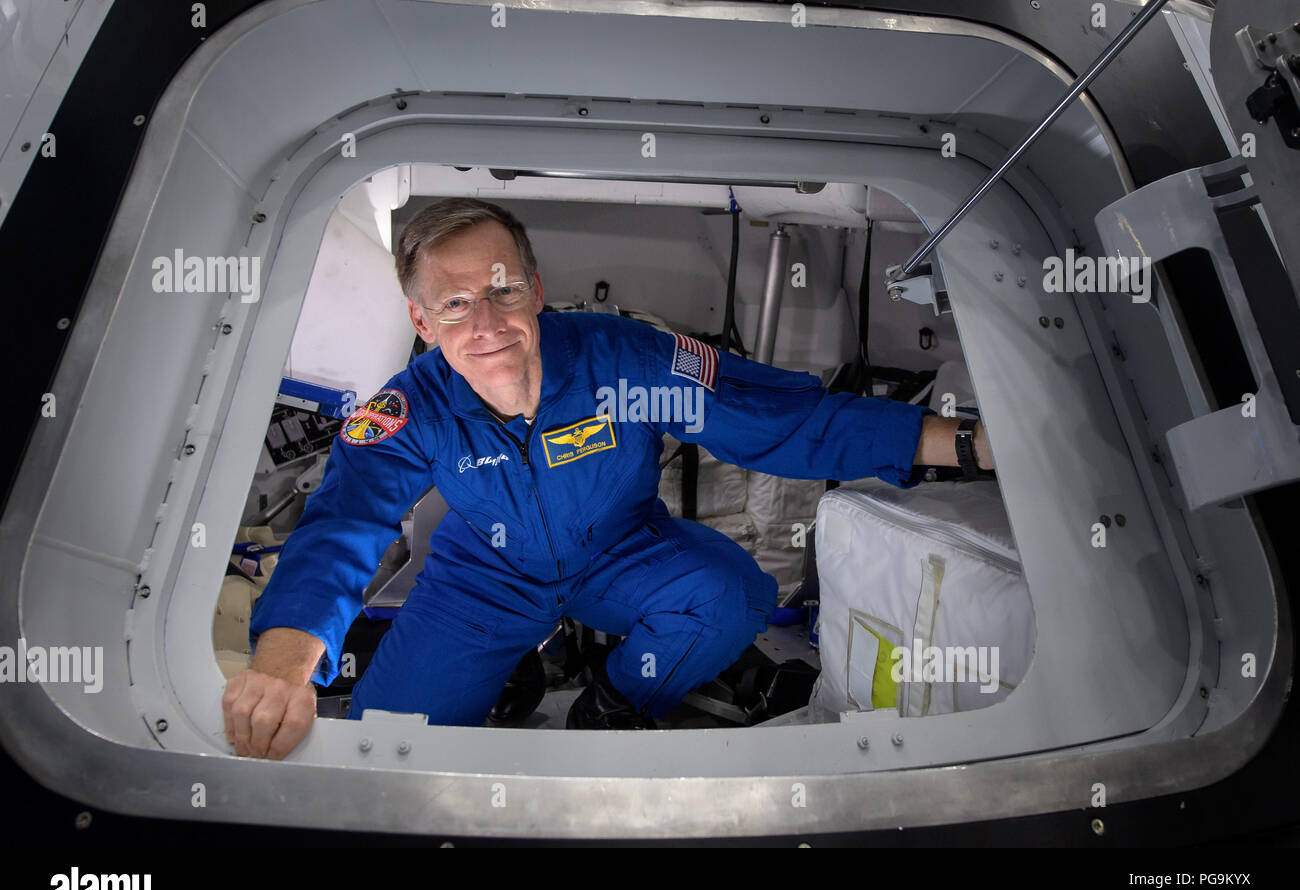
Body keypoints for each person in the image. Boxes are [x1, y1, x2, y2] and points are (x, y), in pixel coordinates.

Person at [223, 197, 991, 758]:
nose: (486, 323)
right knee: (381, 754)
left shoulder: (622, 358)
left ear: (536, 285)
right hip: (484, 580)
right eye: (455, 305)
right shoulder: (408, 410)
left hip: (621, 551)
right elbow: (341, 526)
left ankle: (618, 699)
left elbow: (773, 422)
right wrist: (282, 667)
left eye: (503, 290)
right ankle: (507, 656)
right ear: (422, 323)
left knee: (732, 596)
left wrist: (963, 443)